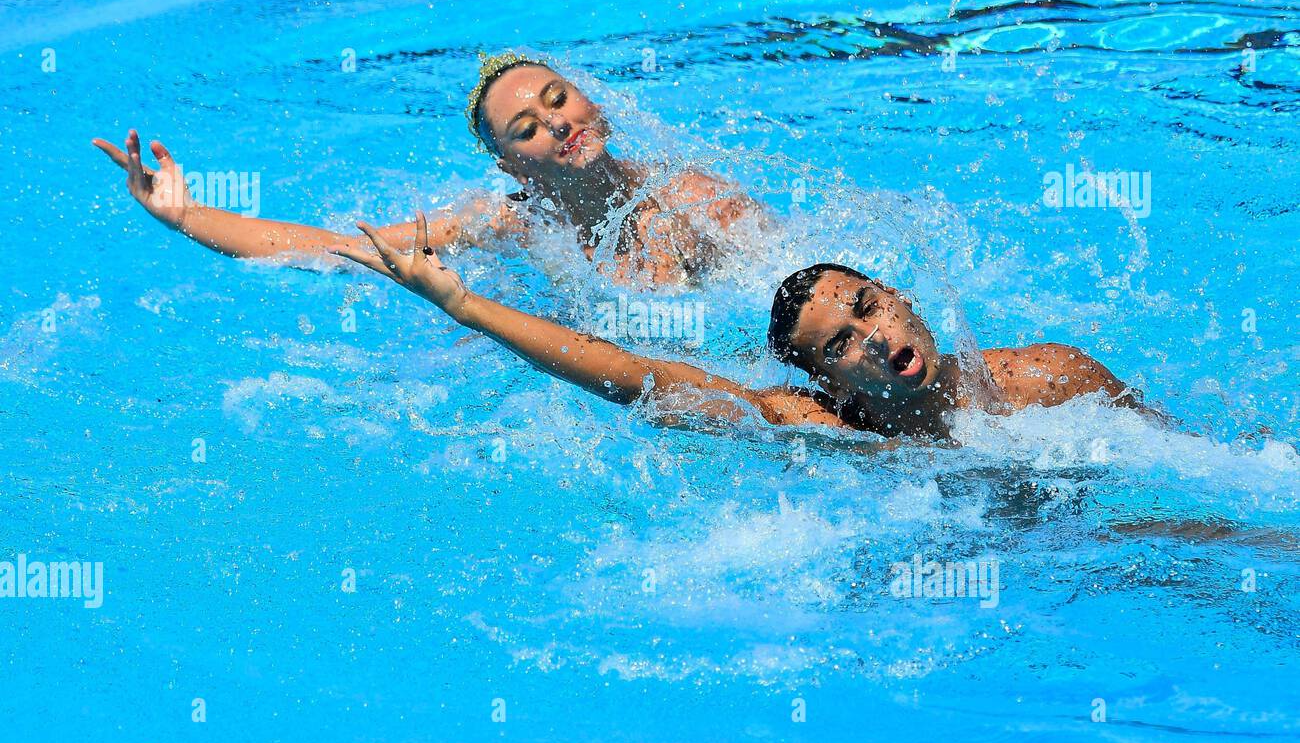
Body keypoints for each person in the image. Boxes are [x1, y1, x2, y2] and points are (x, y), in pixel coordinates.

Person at [327, 215, 1160, 440]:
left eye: (866, 310)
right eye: (838, 347)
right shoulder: (826, 425)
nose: (869, 339)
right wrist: (466, 307)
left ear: (899, 297)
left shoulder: (1054, 377)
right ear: (828, 383)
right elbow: (637, 378)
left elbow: (1184, 457)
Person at [91, 51, 761, 285]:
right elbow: (340, 250)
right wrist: (185, 215)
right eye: (527, 128)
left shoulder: (692, 199)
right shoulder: (512, 223)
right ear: (515, 169)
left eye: (558, 100)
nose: (557, 123)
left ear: (592, 104)